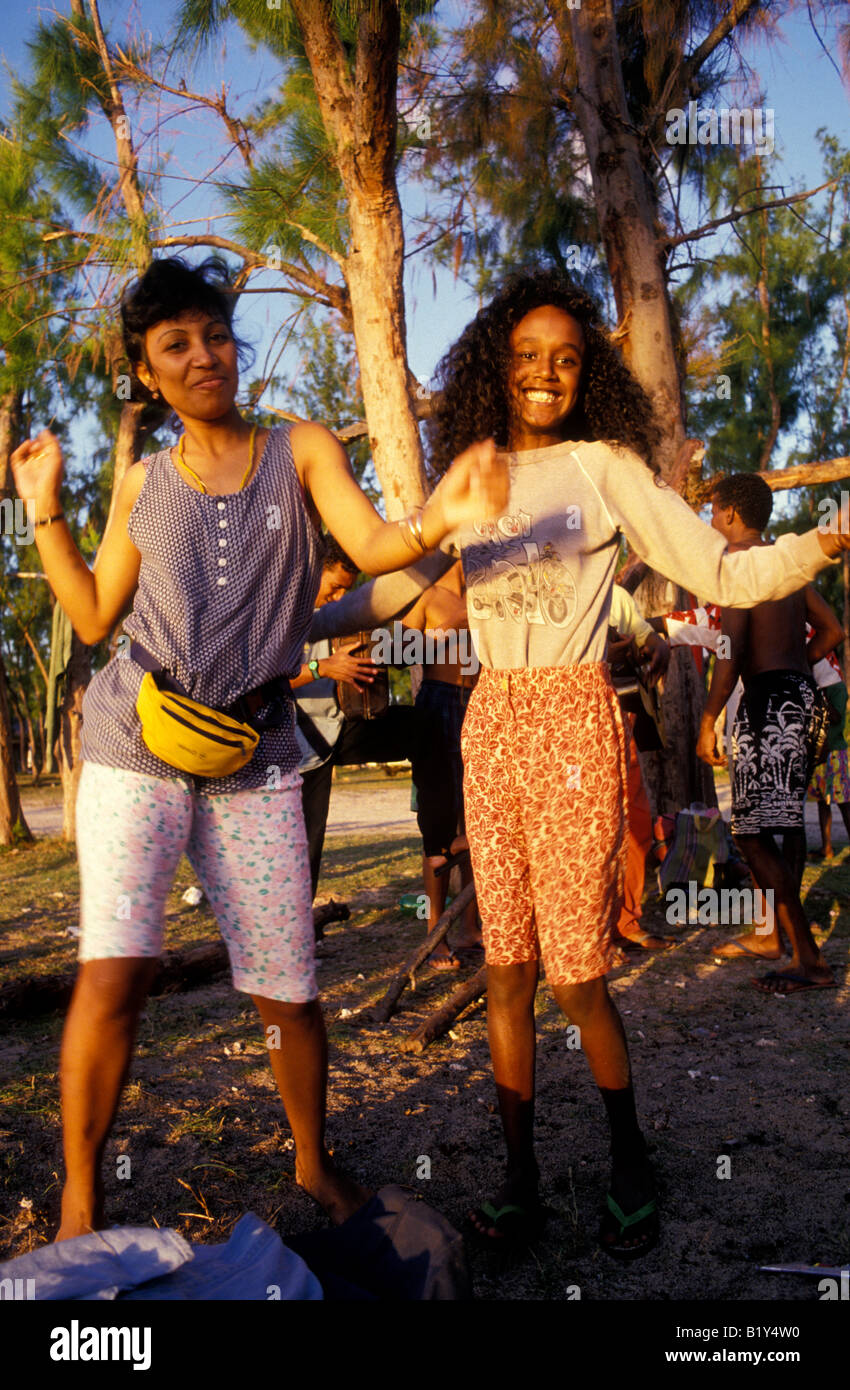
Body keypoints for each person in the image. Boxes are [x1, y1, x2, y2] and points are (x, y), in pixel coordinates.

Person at [9, 255, 509, 1242]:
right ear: (147, 374)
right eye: (176, 346)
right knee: (115, 972)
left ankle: (313, 1164)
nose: (205, 357)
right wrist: (42, 510)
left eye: (216, 336)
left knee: (288, 985)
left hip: (259, 749)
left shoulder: (303, 448)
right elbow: (97, 611)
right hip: (136, 743)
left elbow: (372, 548)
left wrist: (442, 518)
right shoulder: (143, 481)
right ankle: (79, 1200)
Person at [424, 269, 849, 1258]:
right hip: (488, 721)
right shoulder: (471, 469)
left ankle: (628, 1161)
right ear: (495, 360)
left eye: (565, 359)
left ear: (587, 375)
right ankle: (520, 1182)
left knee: (576, 977)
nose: (544, 374)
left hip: (572, 718)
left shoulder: (603, 466)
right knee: (503, 968)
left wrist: (816, 544)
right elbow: (413, 582)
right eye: (526, 356)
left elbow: (717, 569)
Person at [695, 473, 835, 993]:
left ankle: (808, 957)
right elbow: (834, 628)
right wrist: (798, 665)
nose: (711, 521)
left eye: (713, 511)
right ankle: (780, 940)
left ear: (732, 513)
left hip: (767, 703)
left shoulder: (739, 566)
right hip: (801, 697)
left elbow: (728, 654)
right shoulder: (786, 563)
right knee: (787, 823)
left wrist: (708, 720)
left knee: (751, 833)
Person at [292, 537, 416, 905]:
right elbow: (260, 680)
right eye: (333, 588)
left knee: (426, 728)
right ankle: (294, 940)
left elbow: (396, 654)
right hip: (294, 746)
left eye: (346, 591)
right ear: (314, 570)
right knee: (301, 853)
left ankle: (445, 841)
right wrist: (322, 667)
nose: (337, 599)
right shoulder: (276, 607)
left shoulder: (343, 613)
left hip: (338, 730)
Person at [401, 560, 482, 968]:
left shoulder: (490, 594)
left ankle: (470, 927)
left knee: (477, 821)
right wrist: (451, 626)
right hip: (439, 698)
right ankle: (435, 935)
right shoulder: (428, 597)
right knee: (438, 827)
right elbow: (395, 651)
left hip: (482, 701)